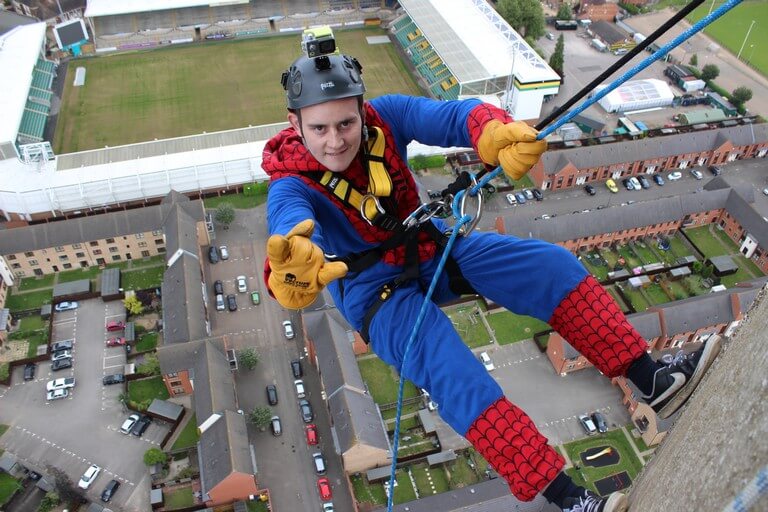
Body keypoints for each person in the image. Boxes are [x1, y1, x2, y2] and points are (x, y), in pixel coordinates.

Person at [262, 47, 721, 512]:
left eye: (345, 123)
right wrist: (290, 265)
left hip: (426, 246)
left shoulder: (387, 119)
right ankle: (567, 500)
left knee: (550, 268)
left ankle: (651, 379)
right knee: (455, 374)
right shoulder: (290, 182)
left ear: (362, 111)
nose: (336, 140)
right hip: (372, 291)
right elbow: (289, 225)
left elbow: (450, 115)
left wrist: (491, 130)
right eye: (319, 128)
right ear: (294, 124)